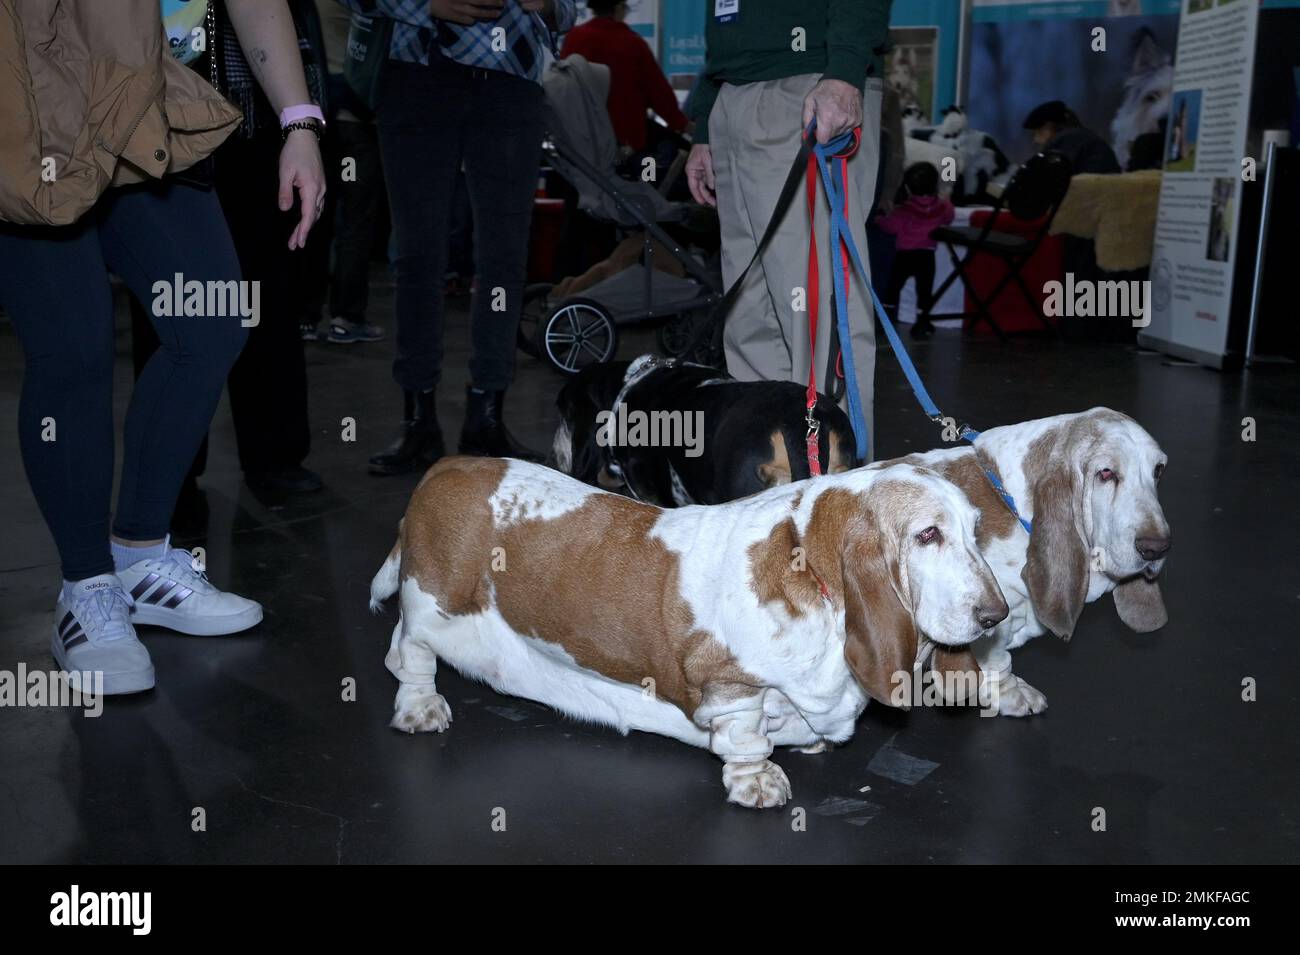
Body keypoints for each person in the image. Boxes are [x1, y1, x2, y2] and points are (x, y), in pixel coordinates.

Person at [0, 0, 325, 695]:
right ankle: (87, 586)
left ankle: (140, 556)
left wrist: (299, 122)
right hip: (23, 93)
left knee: (209, 324)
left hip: (139, 90)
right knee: (73, 350)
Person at [339, 0, 578, 476]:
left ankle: (486, 417)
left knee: (503, 260)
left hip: (511, 84)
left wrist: (550, 5)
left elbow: (567, 12)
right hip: (419, 76)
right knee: (417, 256)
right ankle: (418, 421)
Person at [134, 0, 331, 502]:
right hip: (150, 117)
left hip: (252, 116)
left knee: (265, 289)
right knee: (168, 301)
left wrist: (299, 122)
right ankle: (171, 470)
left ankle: (275, 454)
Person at [685, 1, 892, 461]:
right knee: (750, 315)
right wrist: (705, 120)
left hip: (806, 85)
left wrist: (842, 72)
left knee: (814, 315)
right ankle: (773, 482)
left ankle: (839, 493)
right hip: (733, 92)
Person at [305, 0, 388, 344]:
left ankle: (305, 316)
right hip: (354, 122)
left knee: (316, 219)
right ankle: (346, 316)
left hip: (320, 117)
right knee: (354, 221)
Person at [560, 0, 691, 155]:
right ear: (618, 8)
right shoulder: (632, 43)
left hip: (580, 137)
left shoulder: (574, 38)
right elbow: (659, 94)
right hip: (625, 141)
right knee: (653, 169)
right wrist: (682, 124)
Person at [874, 162, 955, 340]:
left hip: (905, 255)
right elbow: (949, 217)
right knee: (924, 292)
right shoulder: (941, 208)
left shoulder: (904, 210)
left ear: (908, 189)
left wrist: (879, 218)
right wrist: (946, 199)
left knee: (893, 288)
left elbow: (891, 227)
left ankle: (884, 322)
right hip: (926, 256)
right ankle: (922, 323)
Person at [1022, 100, 1121, 174]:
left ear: (1050, 126)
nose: (1036, 140)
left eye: (1039, 132)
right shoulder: (1084, 138)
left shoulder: (1065, 141)